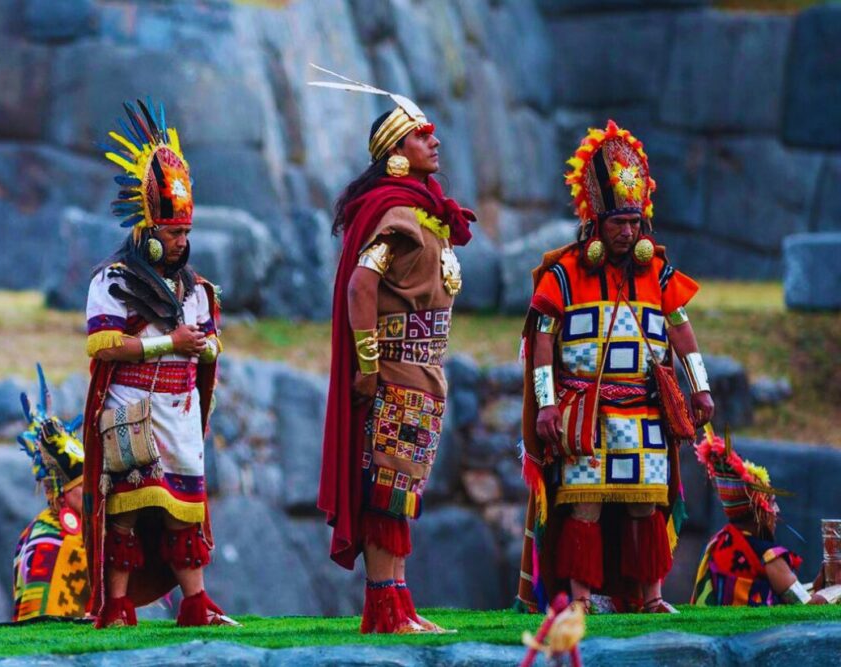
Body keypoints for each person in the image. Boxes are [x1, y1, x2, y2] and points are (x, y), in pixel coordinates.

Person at [515, 120, 715, 615]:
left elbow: (681, 330)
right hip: (584, 412)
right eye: (617, 223)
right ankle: (580, 597)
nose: (627, 232)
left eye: (634, 222)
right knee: (585, 503)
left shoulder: (658, 273)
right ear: (596, 223)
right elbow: (541, 339)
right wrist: (544, 404)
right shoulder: (564, 273)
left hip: (644, 410)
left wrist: (700, 388)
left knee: (645, 502)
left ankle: (650, 597)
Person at [309, 67, 475, 634]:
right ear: (396, 151)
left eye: (432, 134)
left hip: (424, 371)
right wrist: (369, 364)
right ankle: (383, 608)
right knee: (388, 488)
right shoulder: (397, 211)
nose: (435, 141)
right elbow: (361, 285)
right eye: (422, 135)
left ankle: (399, 603)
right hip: (398, 370)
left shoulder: (421, 209)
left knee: (403, 487)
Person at [81, 99, 234, 629]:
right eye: (173, 234)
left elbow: (212, 345)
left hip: (181, 409)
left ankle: (196, 602)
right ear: (148, 231)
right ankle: (117, 605)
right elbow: (102, 346)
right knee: (127, 508)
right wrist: (167, 342)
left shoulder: (196, 289)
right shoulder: (113, 282)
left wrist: (201, 345)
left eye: (186, 234)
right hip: (133, 406)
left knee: (183, 511)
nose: (182, 243)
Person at [691, 435, 814, 606]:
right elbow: (805, 606)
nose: (777, 510)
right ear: (760, 512)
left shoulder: (718, 543)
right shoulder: (770, 556)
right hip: (759, 632)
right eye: (772, 502)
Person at [10, 364, 91, 621]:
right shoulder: (46, 540)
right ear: (59, 493)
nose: (91, 492)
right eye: (80, 486)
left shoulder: (88, 529)